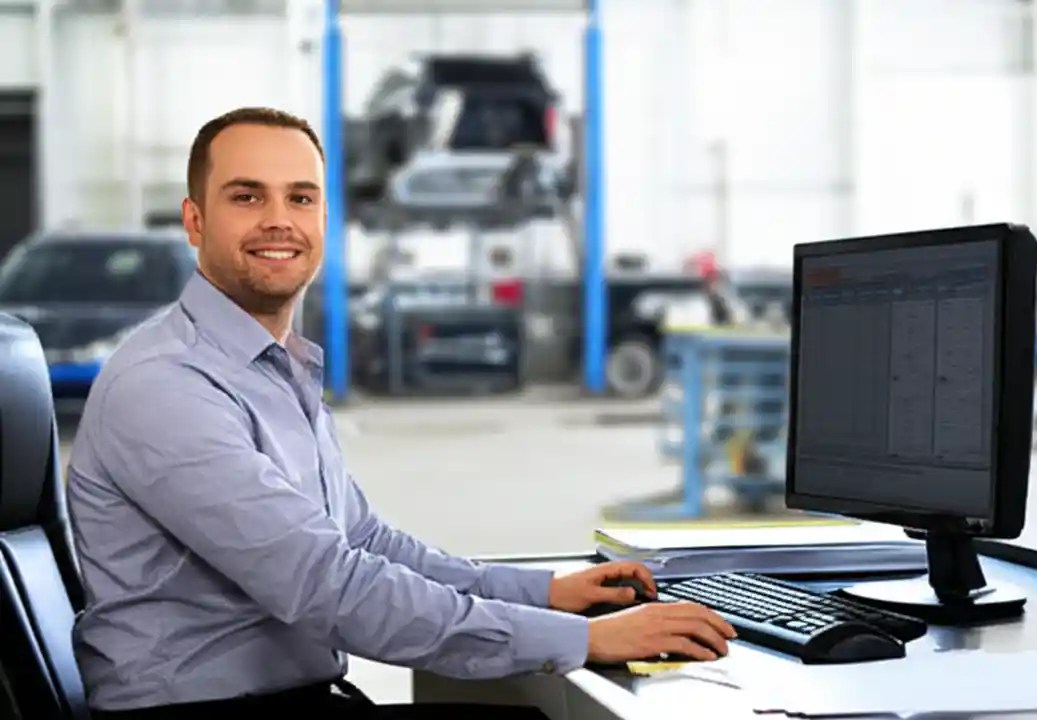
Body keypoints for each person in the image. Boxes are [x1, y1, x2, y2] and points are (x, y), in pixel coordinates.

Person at [65, 107, 735, 719]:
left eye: (301, 197)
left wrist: (546, 593)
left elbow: (367, 544)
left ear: (323, 220)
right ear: (194, 221)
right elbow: (329, 585)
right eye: (247, 197)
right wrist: (583, 638)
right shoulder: (166, 384)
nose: (279, 219)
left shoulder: (273, 368)